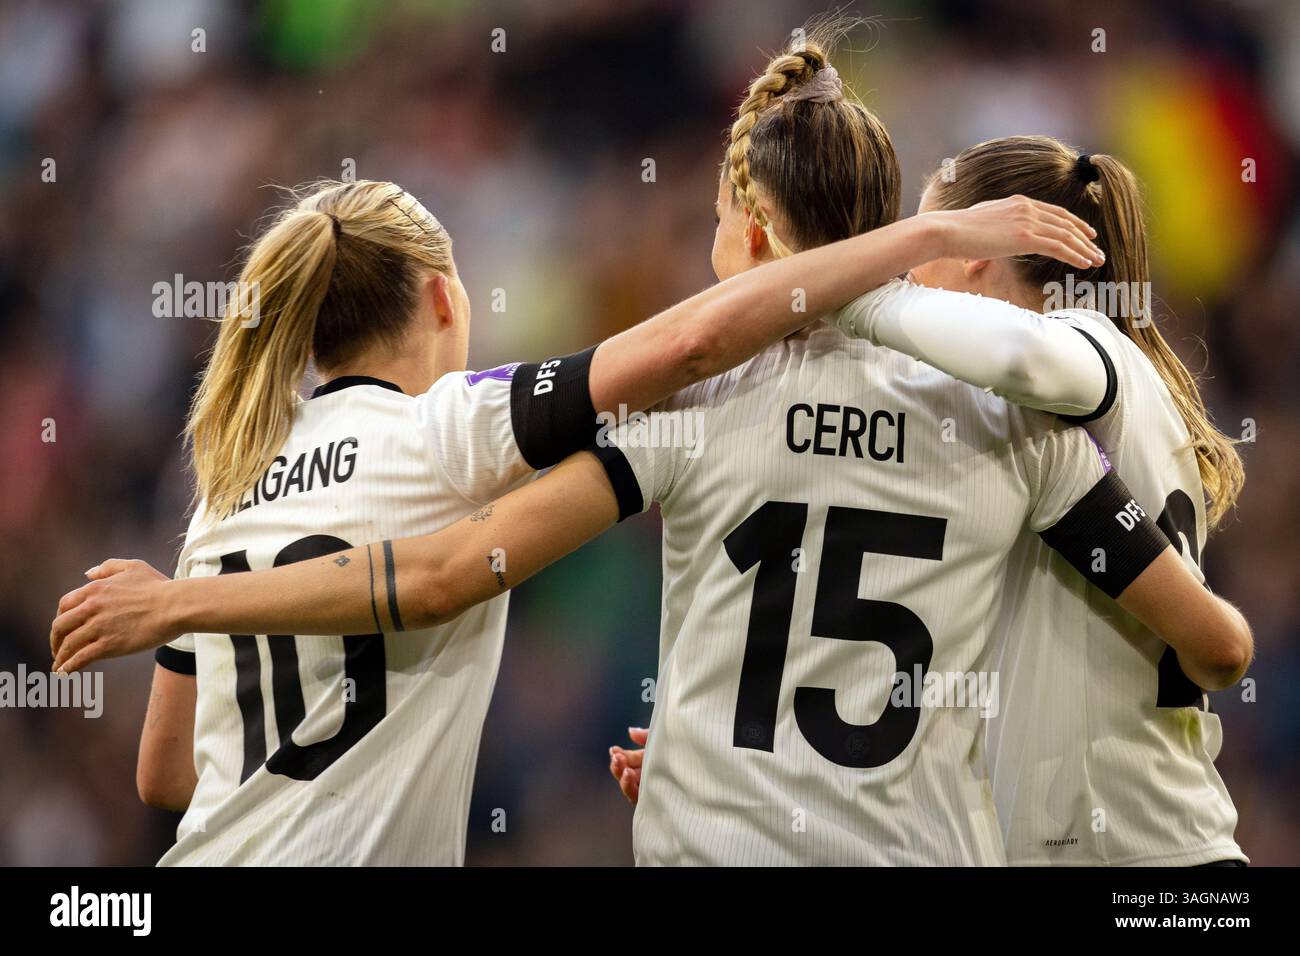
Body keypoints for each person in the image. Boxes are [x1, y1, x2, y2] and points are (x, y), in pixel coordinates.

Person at [52, 29, 1235, 866]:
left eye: (716, 220)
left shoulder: (678, 418)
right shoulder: (1009, 426)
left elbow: (450, 571)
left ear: (750, 234)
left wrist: (712, 744)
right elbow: (1209, 639)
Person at [812, 135, 1249, 865]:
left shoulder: (1088, 345)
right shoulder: (1029, 421)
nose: (908, 276)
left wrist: (848, 294)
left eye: (923, 251)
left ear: (977, 252)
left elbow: (1020, 354)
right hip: (1137, 842)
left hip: (1134, 852)